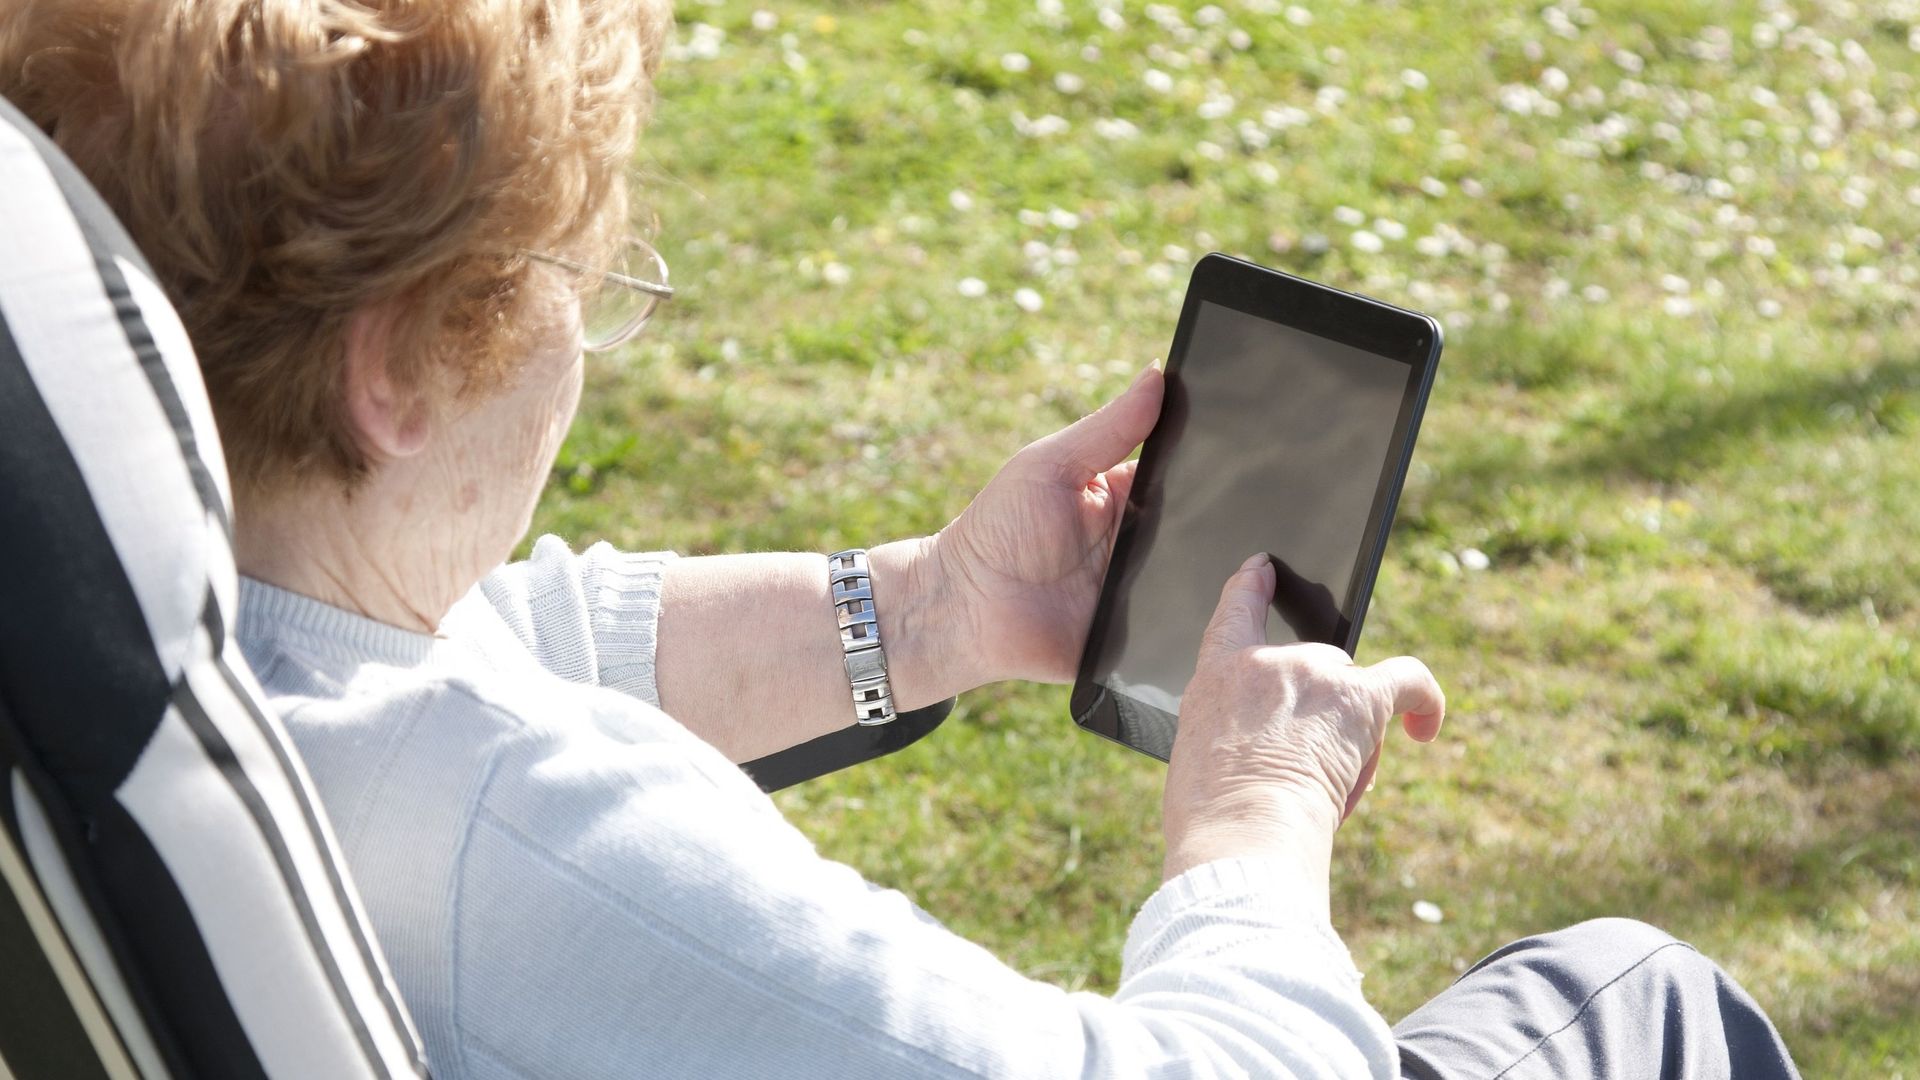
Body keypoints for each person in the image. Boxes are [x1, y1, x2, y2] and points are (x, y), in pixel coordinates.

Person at [0, 1, 1801, 1076]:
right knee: (1634, 1000)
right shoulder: (531, 840)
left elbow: (500, 637)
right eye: (578, 285)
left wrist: (930, 610)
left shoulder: (149, 599)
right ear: (402, 373)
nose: (581, 345)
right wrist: (1252, 816)